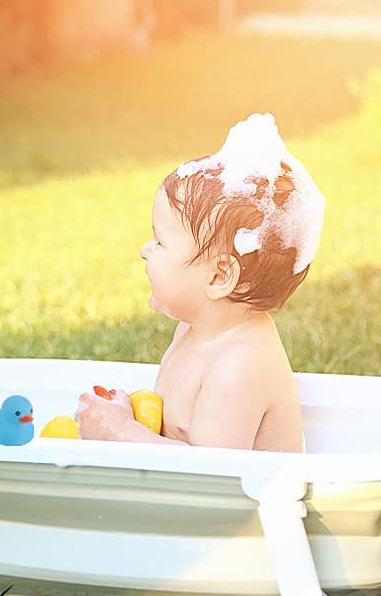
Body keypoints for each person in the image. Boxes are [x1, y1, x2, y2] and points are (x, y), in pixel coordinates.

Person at [75, 113, 324, 452]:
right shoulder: (195, 330)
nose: (144, 251)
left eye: (159, 241)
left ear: (220, 276)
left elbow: (212, 477)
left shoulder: (239, 366)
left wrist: (116, 431)